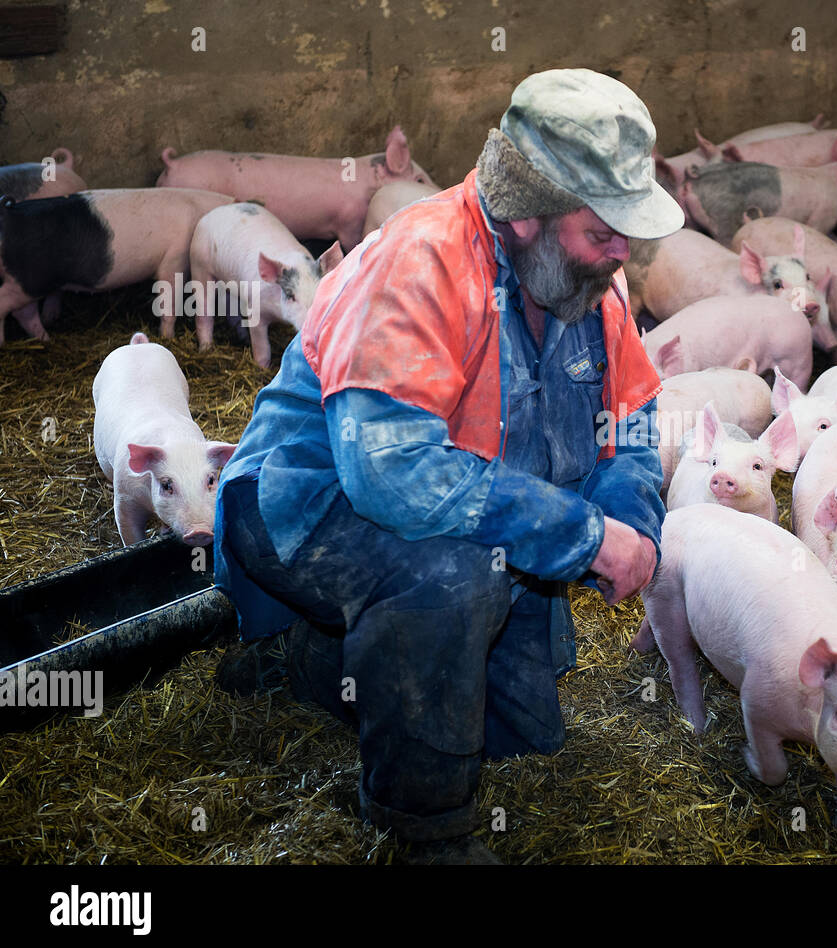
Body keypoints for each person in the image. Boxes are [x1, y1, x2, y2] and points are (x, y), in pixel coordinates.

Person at [212, 68, 684, 863]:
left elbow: (630, 421)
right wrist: (581, 534)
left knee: (521, 735)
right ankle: (421, 827)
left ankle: (316, 661)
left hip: (478, 513)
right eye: (603, 230)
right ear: (529, 214)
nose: (621, 252)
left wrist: (630, 521)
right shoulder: (423, 261)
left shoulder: (588, 281)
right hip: (309, 504)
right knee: (452, 582)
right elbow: (390, 474)